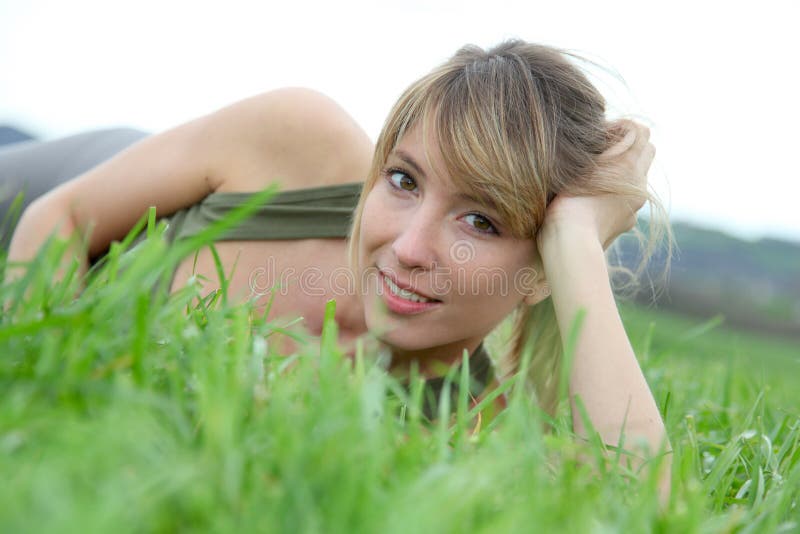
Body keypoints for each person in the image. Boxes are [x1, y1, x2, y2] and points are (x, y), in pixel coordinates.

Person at [6, 39, 671, 480]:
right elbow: (57, 220)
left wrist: (577, 241)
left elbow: (640, 502)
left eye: (481, 221)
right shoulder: (298, 140)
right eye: (404, 180)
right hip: (46, 188)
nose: (407, 248)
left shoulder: (464, 421)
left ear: (540, 273)